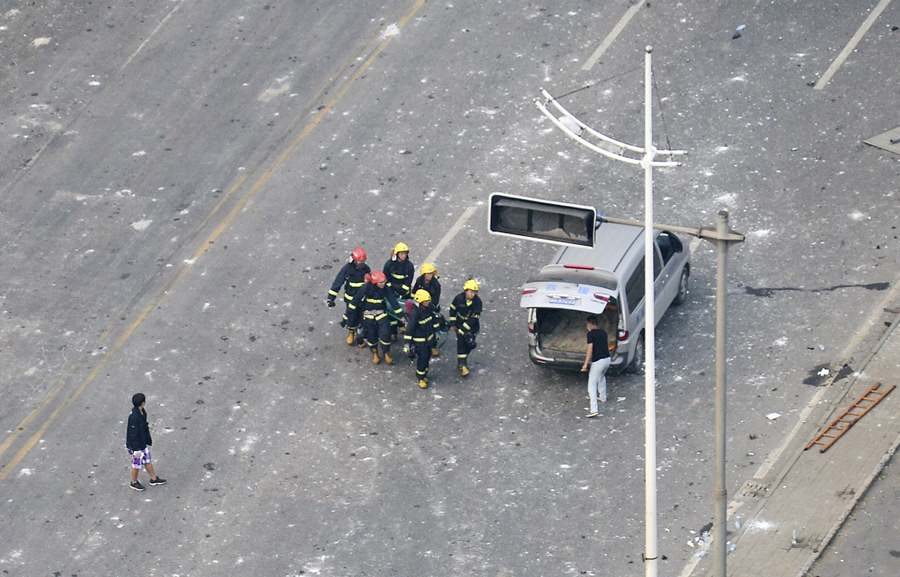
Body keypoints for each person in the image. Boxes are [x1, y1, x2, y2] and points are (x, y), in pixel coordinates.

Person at [348, 270, 404, 365]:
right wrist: (348, 315)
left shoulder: (385, 288)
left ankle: (386, 352)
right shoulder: (366, 288)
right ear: (375, 283)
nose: (383, 284)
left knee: (386, 334)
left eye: (384, 282)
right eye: (381, 282)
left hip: (381, 315)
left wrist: (401, 315)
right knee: (371, 337)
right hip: (369, 317)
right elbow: (355, 300)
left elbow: (393, 301)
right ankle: (375, 353)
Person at [326, 247, 371, 345]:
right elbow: (338, 282)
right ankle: (351, 332)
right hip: (351, 299)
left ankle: (361, 337)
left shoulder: (366, 269)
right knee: (352, 317)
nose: (361, 265)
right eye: (360, 262)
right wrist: (331, 298)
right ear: (354, 261)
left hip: (363, 300)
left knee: (363, 318)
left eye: (363, 262)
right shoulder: (347, 269)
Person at [126, 393, 166, 491]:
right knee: (136, 464)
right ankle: (134, 482)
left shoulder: (141, 412)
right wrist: (136, 449)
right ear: (143, 402)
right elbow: (133, 434)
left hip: (142, 443)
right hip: (137, 446)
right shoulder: (135, 417)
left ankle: (153, 479)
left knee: (147, 460)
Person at [404, 290, 440, 389]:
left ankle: (424, 374)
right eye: (426, 301)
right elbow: (410, 329)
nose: (428, 302)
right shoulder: (415, 313)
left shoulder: (429, 309)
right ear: (420, 302)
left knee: (427, 358)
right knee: (422, 359)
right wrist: (407, 343)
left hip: (429, 340)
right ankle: (420, 377)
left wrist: (436, 331)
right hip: (420, 342)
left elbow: (434, 320)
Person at [448, 279, 482, 377]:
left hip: (472, 328)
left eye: (474, 292)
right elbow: (453, 310)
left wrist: (464, 329)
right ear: (466, 291)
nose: (473, 295)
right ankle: (463, 365)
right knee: (461, 345)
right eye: (471, 292)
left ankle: (463, 361)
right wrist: (453, 323)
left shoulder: (477, 302)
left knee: (469, 345)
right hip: (459, 325)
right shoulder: (458, 299)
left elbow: (474, 318)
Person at [581, 315, 611, 418]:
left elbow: (590, 349)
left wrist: (585, 364)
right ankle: (603, 397)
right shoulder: (603, 333)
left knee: (591, 385)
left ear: (589, 324)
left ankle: (594, 409)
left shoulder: (590, 334)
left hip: (598, 361)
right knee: (601, 376)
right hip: (607, 359)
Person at [410, 262, 443, 357]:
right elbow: (414, 293)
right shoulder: (419, 280)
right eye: (428, 274)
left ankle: (433, 347)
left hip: (431, 307)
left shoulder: (436, 285)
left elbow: (435, 300)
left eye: (431, 274)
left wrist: (430, 308)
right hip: (419, 306)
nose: (430, 276)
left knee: (431, 327)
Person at [383, 242, 415, 339]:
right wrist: (390, 291)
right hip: (392, 291)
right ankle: (393, 332)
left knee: (403, 309)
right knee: (392, 312)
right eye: (401, 253)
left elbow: (408, 281)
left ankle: (401, 326)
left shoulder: (409, 266)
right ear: (397, 254)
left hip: (404, 293)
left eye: (405, 253)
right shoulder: (389, 264)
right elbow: (386, 278)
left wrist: (402, 292)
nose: (404, 255)